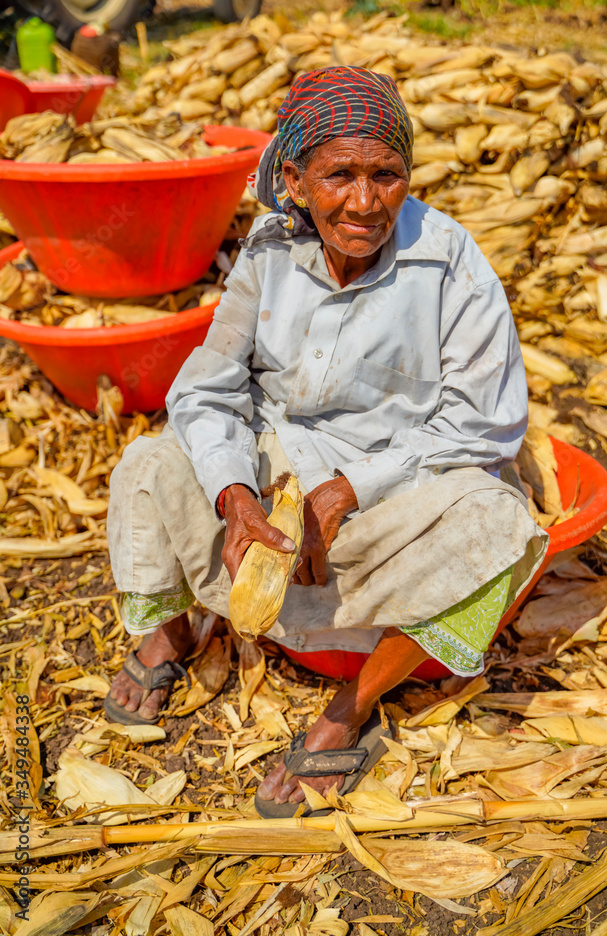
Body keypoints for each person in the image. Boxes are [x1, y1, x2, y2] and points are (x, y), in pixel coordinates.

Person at [105, 66, 548, 817]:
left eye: (386, 175)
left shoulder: (448, 260)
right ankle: (170, 636)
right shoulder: (269, 252)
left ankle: (352, 706)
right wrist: (238, 496)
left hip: (396, 483)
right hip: (278, 461)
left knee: (500, 526)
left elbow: (484, 420)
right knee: (148, 463)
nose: (365, 202)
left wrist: (351, 487)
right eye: (338, 175)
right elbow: (208, 387)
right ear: (295, 178)